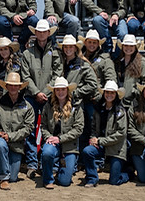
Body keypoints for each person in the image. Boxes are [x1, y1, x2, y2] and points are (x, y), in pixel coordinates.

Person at [20, 19, 62, 176]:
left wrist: (44, 92)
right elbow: (25, 76)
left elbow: (58, 75)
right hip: (32, 96)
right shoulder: (27, 53)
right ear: (35, 33)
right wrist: (37, 92)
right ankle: (32, 163)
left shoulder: (56, 53)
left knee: (50, 129)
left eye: (44, 32)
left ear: (48, 33)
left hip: (49, 97)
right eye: (39, 31)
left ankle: (47, 163)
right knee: (30, 130)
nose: (42, 34)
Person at [80, 80, 130, 187]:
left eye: (112, 93)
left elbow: (121, 133)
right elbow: (93, 127)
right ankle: (92, 178)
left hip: (116, 148)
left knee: (114, 181)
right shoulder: (98, 109)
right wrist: (93, 138)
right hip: (100, 145)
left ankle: (127, 174)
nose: (109, 95)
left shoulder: (120, 111)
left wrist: (100, 141)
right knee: (87, 151)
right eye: (107, 92)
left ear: (116, 94)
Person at [39, 77, 84, 188]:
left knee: (64, 182)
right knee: (47, 152)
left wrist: (60, 139)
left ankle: (60, 171)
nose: (60, 92)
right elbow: (43, 126)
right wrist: (49, 137)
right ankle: (48, 180)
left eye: (63, 89)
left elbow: (78, 129)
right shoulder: (48, 106)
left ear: (67, 90)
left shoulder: (76, 107)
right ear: (54, 91)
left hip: (69, 146)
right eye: (58, 90)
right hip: (52, 142)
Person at [58, 34, 99, 154]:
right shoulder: (59, 63)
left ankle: (77, 156)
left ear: (75, 48)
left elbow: (92, 84)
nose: (68, 49)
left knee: (77, 129)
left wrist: (75, 93)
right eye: (66, 47)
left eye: (71, 46)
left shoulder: (83, 64)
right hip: (60, 101)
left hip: (75, 103)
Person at [0, 72, 34, 190]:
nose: (13, 87)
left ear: (19, 87)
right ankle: (3, 178)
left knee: (13, 177)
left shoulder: (27, 106)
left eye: (15, 85)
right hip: (1, 140)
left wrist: (10, 136)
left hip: (17, 144)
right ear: (6, 86)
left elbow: (28, 128)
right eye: (10, 85)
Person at [112, 34, 145, 107]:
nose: (128, 48)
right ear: (122, 47)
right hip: (118, 102)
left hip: (135, 103)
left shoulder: (142, 63)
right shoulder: (117, 62)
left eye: (131, 46)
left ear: (135, 47)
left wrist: (135, 92)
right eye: (126, 45)